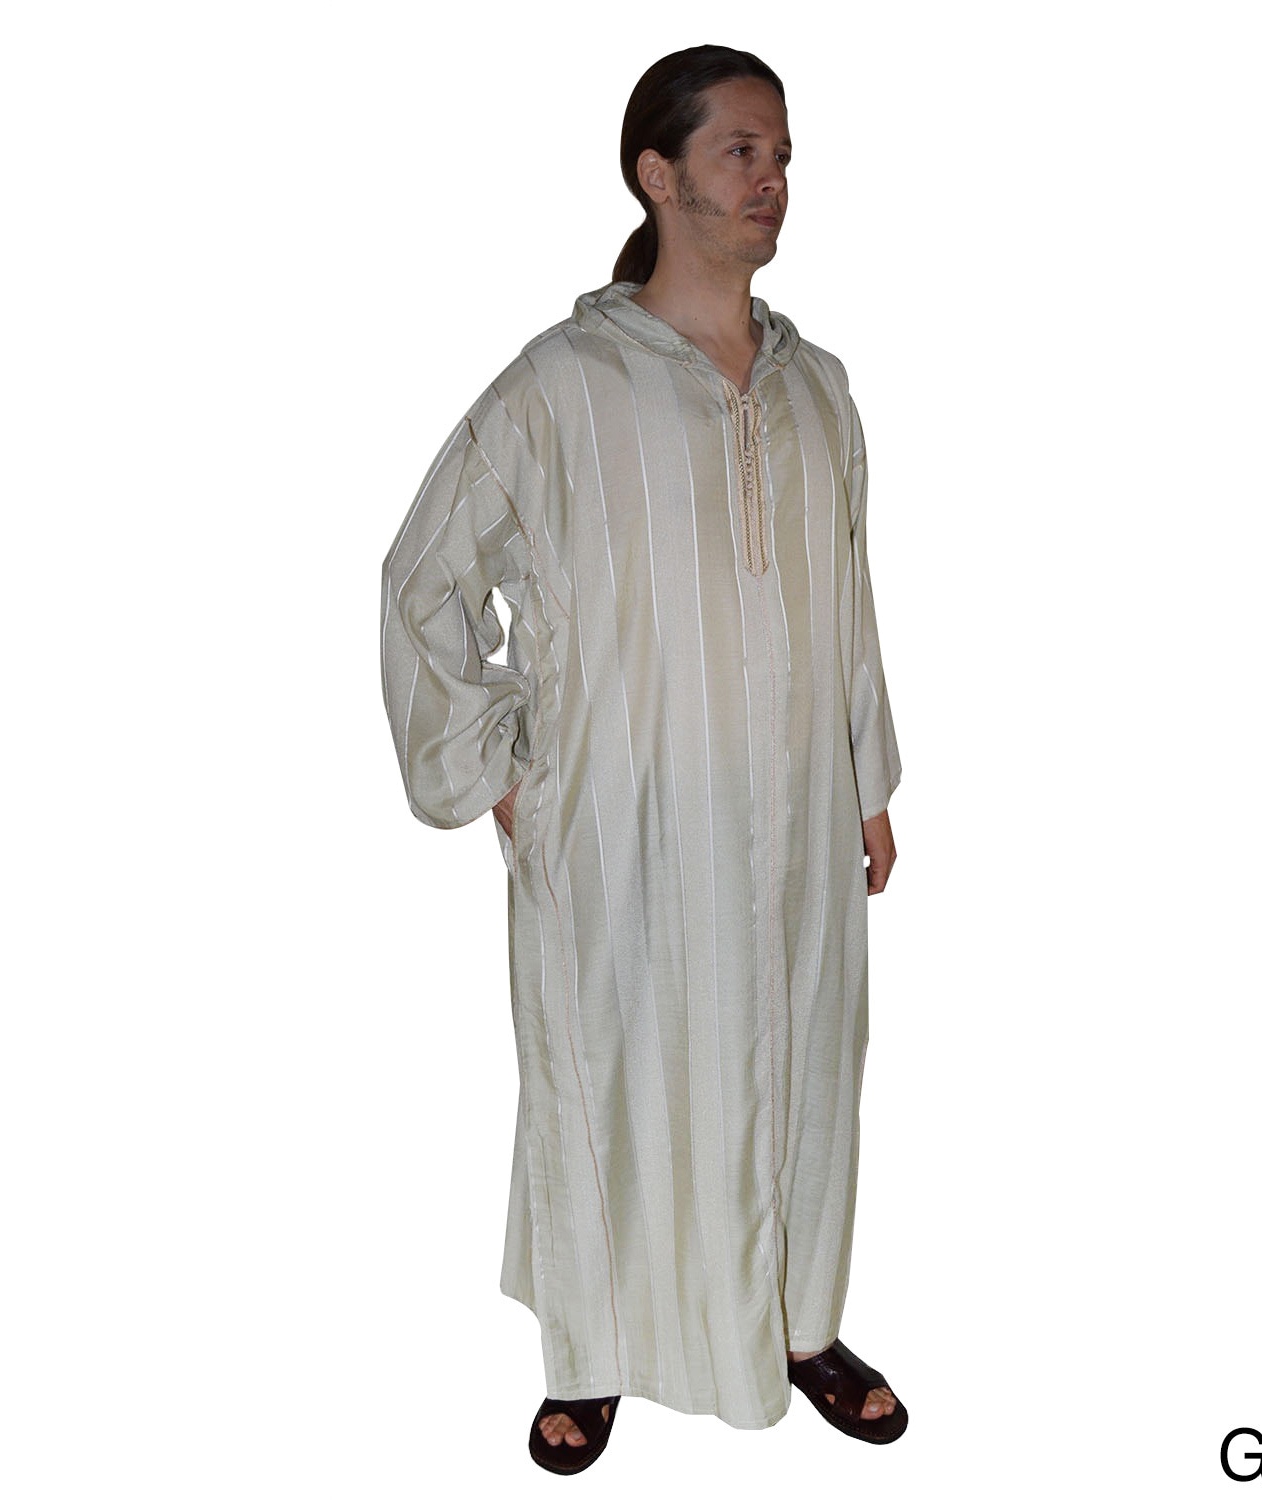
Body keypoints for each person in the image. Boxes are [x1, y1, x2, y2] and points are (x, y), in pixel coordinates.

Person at [380, 44, 905, 1473]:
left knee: (803, 1061)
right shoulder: (561, 388)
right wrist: (497, 769)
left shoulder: (818, 390)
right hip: (619, 816)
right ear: (656, 175)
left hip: (795, 817)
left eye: (782, 155)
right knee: (607, 1072)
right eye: (742, 151)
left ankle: (798, 1324)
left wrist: (863, 774)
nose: (772, 179)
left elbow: (847, 591)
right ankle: (593, 1354)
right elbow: (424, 577)